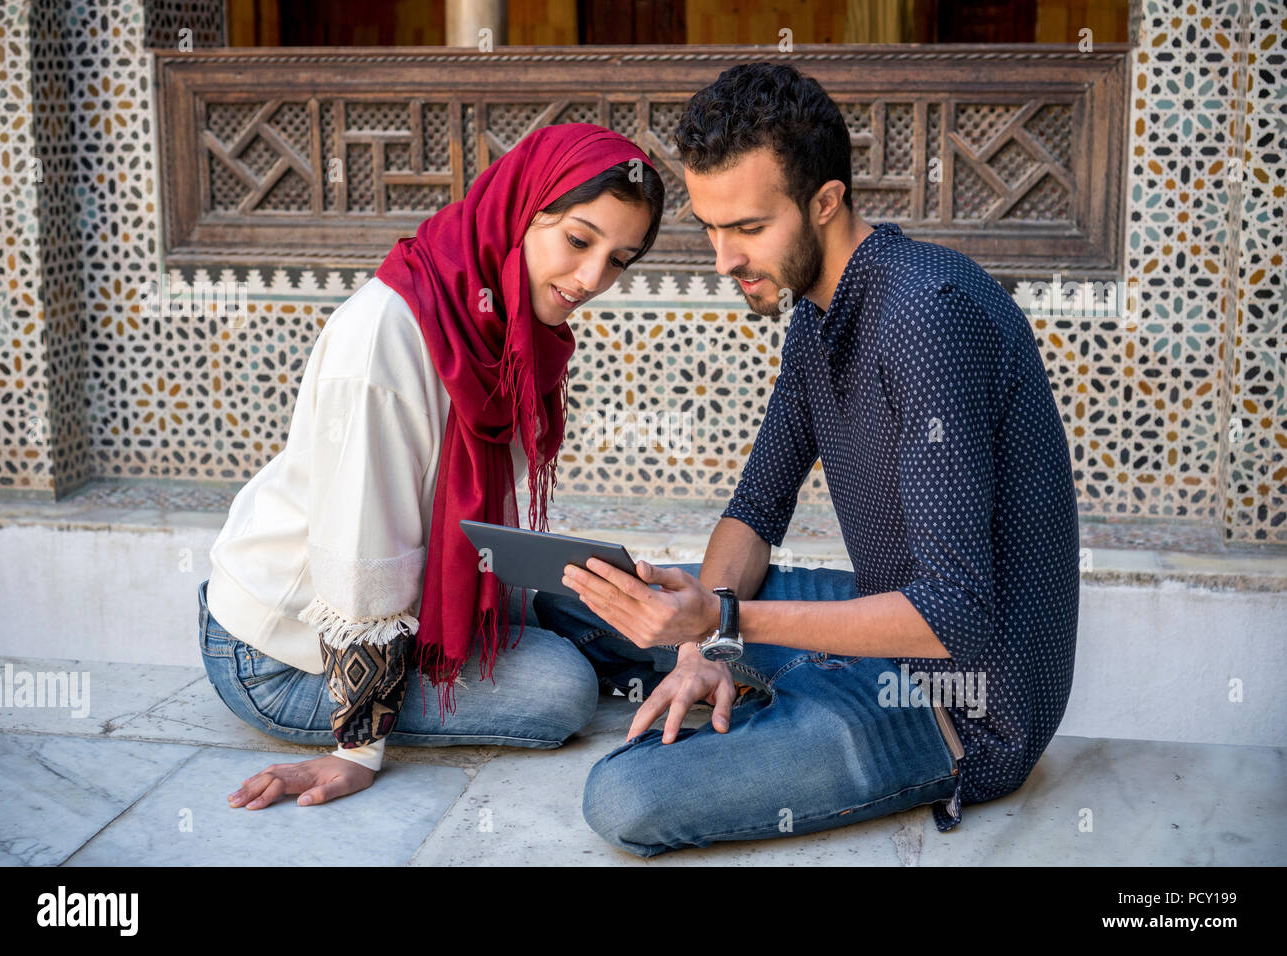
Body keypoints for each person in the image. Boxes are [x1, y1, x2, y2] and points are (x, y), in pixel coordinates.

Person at [535, 63, 1080, 857]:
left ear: (826, 202)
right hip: (882, 613)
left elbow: (955, 614)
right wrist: (704, 647)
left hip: (960, 701)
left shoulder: (926, 317)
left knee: (624, 798)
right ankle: (745, 683)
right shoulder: (819, 316)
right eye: (712, 228)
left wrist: (727, 621)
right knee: (584, 599)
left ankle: (784, 702)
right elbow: (756, 509)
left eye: (748, 228)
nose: (723, 259)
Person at [199, 123, 665, 810]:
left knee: (601, 596)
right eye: (577, 239)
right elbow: (359, 547)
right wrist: (358, 746)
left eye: (619, 259)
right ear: (523, 207)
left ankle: (723, 657)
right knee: (560, 687)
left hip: (405, 610)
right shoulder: (388, 335)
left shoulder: (500, 320)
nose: (592, 279)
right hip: (280, 655)